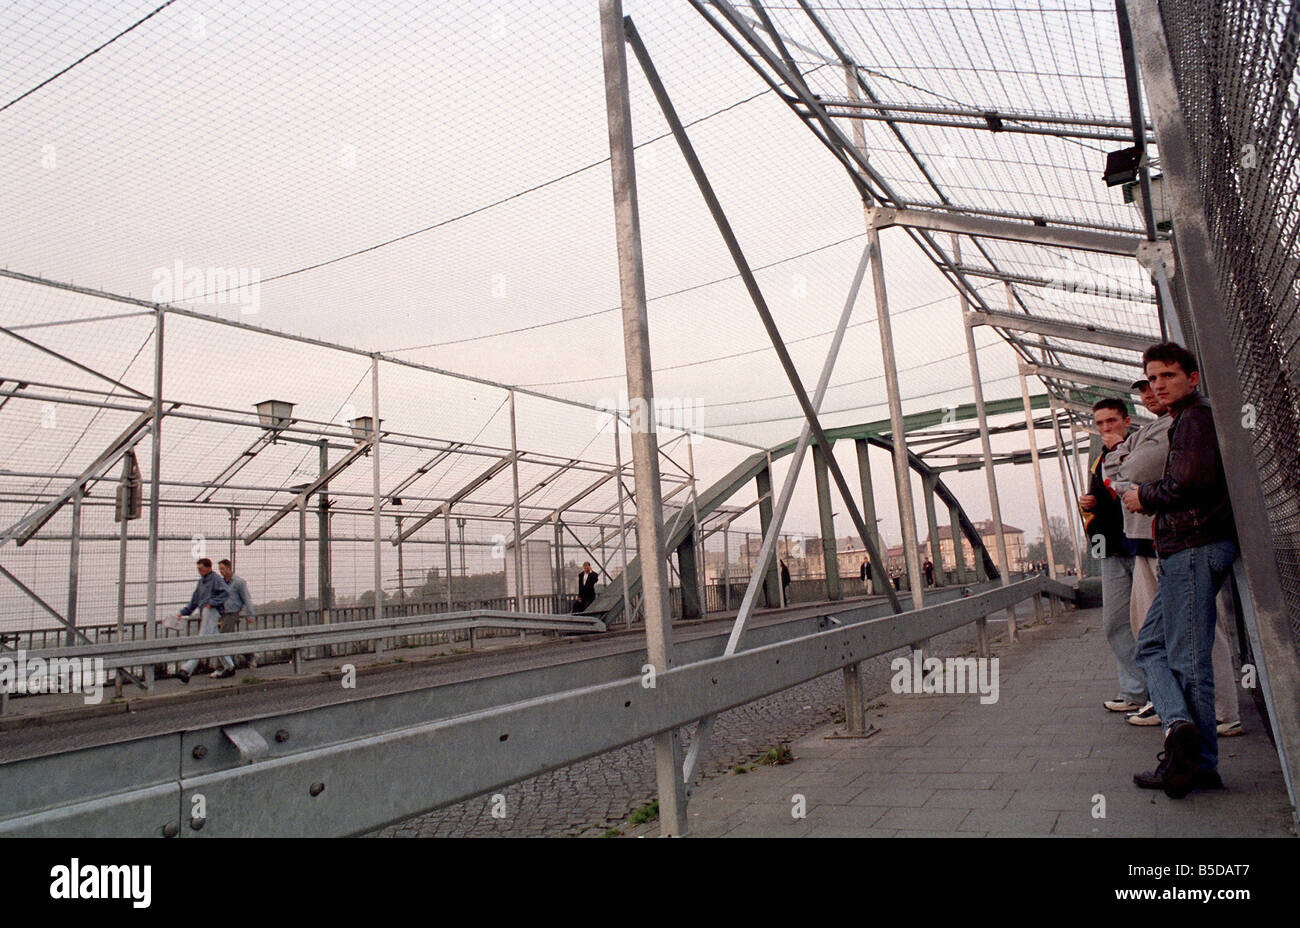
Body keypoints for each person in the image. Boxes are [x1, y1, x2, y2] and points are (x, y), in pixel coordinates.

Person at [1123, 342, 1238, 798]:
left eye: (1167, 375)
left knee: (1189, 662)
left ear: (1192, 377)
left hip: (1194, 545)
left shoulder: (1194, 419)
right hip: (1185, 548)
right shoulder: (1185, 419)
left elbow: (1189, 483)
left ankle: (1197, 763)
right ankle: (1181, 729)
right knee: (1150, 646)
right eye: (1152, 379)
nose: (1158, 385)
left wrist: (1143, 497)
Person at [1106, 378, 1243, 735]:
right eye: (1147, 385)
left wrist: (1134, 477)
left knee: (1187, 636)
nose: (1152, 392)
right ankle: (1183, 718)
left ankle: (1206, 718)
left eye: (1162, 380)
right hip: (1161, 541)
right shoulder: (1156, 427)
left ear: (1191, 378)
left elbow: (1133, 473)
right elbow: (1114, 473)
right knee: (1159, 636)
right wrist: (1124, 462)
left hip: (1181, 543)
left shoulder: (1185, 422)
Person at [1079, 397, 1145, 716]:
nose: (1105, 429)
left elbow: (1137, 485)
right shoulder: (1097, 461)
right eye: (1100, 424)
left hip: (1142, 544)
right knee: (1115, 621)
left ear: (1126, 422)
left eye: (1111, 422)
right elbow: (1102, 501)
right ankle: (1135, 690)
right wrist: (1087, 505)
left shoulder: (1139, 449)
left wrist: (1121, 448)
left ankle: (1153, 694)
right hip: (1111, 548)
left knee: (1146, 622)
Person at [175, 558, 232, 683]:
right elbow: (194, 601)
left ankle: (186, 669)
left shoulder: (215, 579)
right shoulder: (201, 582)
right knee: (216, 641)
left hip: (211, 612)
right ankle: (229, 666)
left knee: (202, 640)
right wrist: (183, 612)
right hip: (206, 612)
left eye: (201, 568)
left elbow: (226, 592)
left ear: (208, 568)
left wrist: (211, 603)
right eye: (198, 569)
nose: (199, 571)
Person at [218, 558, 257, 670]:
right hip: (222, 614)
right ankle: (249, 654)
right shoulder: (221, 582)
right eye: (220, 569)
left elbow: (246, 598)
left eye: (222, 569)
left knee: (223, 640)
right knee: (230, 640)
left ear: (229, 568)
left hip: (231, 614)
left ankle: (224, 666)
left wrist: (250, 614)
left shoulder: (238, 582)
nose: (220, 571)